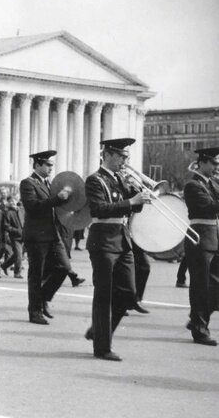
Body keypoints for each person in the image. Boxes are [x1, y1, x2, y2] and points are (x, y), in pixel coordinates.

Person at [84, 138, 150, 361]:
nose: (125, 161)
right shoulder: (95, 180)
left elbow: (134, 209)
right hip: (103, 241)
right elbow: (99, 209)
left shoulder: (121, 179)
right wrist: (131, 202)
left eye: (126, 157)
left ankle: (98, 330)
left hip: (123, 241)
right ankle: (102, 347)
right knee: (104, 295)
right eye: (122, 156)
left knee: (128, 293)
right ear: (108, 155)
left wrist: (141, 197)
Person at [19, 150, 73, 325]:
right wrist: (57, 199)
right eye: (48, 165)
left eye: (52, 165)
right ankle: (34, 312)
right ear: (37, 165)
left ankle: (43, 298)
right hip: (37, 236)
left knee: (64, 267)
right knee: (36, 274)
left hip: (52, 234)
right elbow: (33, 206)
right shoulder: (28, 183)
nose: (51, 168)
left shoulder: (49, 184)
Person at [182, 147, 219, 346]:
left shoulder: (211, 183)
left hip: (213, 238)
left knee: (215, 287)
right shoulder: (193, 185)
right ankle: (200, 329)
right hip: (200, 238)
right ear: (202, 163)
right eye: (213, 164)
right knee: (201, 288)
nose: (216, 168)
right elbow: (211, 207)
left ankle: (197, 318)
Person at [0, 195, 24, 278]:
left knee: (17, 255)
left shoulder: (21, 210)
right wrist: (16, 230)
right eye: (10, 201)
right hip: (15, 237)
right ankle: (17, 272)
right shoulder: (8, 212)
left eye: (14, 200)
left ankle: (4, 265)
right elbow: (6, 226)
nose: (12, 202)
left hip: (24, 236)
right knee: (19, 255)